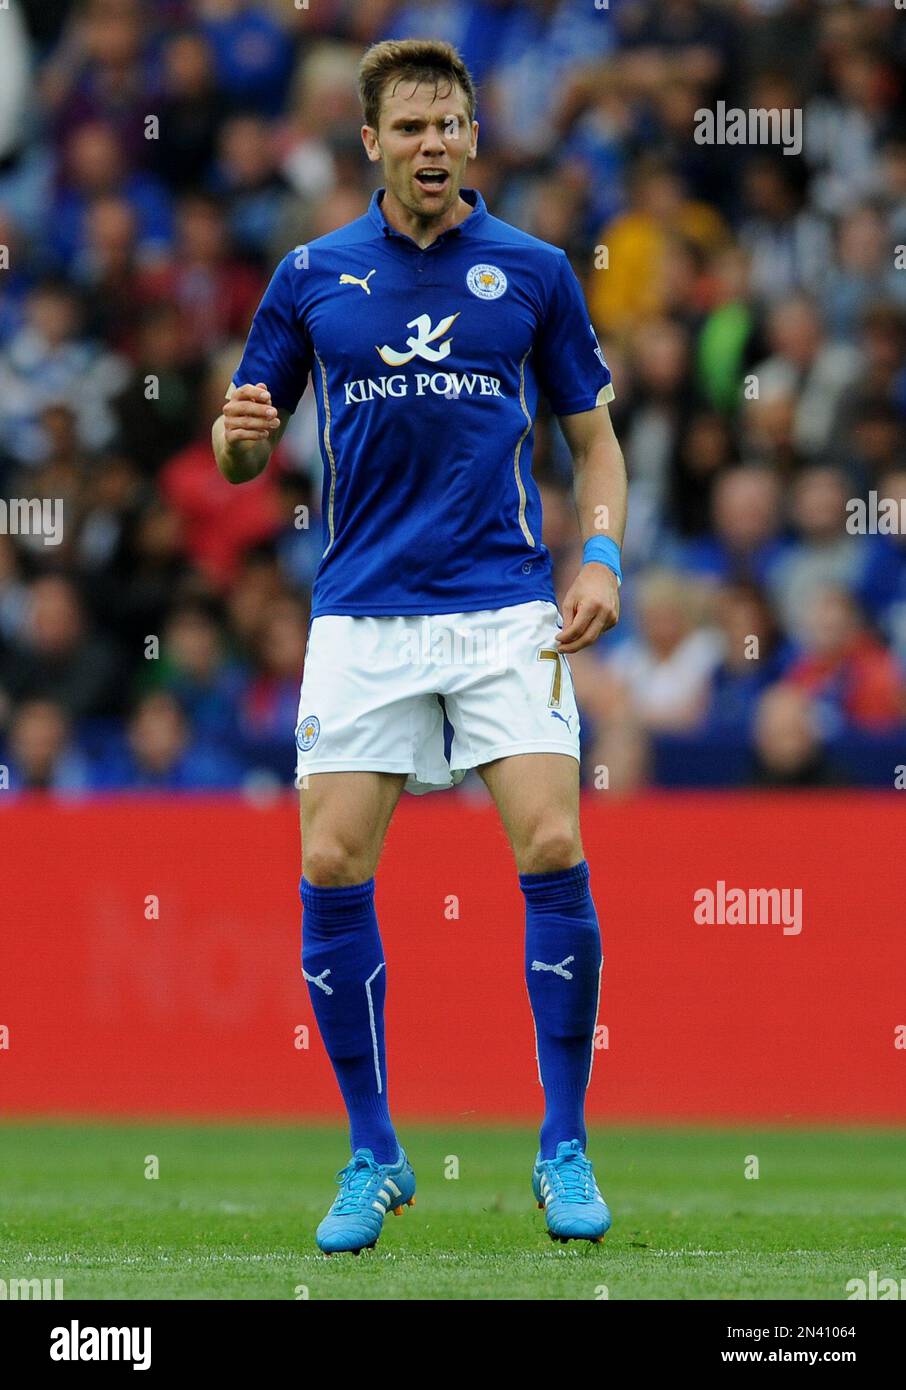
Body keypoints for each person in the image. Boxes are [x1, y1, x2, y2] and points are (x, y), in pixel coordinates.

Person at [212, 39, 627, 1256]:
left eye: (450, 124)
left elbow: (595, 449)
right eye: (410, 128)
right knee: (333, 864)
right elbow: (246, 448)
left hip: (503, 607)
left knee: (553, 838)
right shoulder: (309, 276)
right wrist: (240, 443)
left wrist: (597, 558)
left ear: (474, 137)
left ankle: (561, 1143)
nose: (432, 144)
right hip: (361, 613)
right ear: (372, 146)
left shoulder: (538, 273)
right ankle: (373, 1150)